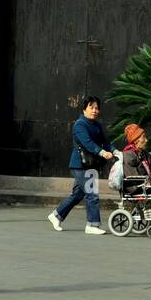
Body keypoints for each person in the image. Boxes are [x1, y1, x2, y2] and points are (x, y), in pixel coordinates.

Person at [48, 95, 114, 235]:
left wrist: (115, 151)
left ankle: (56, 215)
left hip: (91, 164)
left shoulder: (96, 125)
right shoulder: (79, 125)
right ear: (84, 109)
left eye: (97, 108)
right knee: (91, 193)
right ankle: (92, 224)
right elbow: (87, 143)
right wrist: (102, 153)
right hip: (79, 165)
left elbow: (106, 141)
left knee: (78, 194)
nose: (95, 110)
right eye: (91, 107)